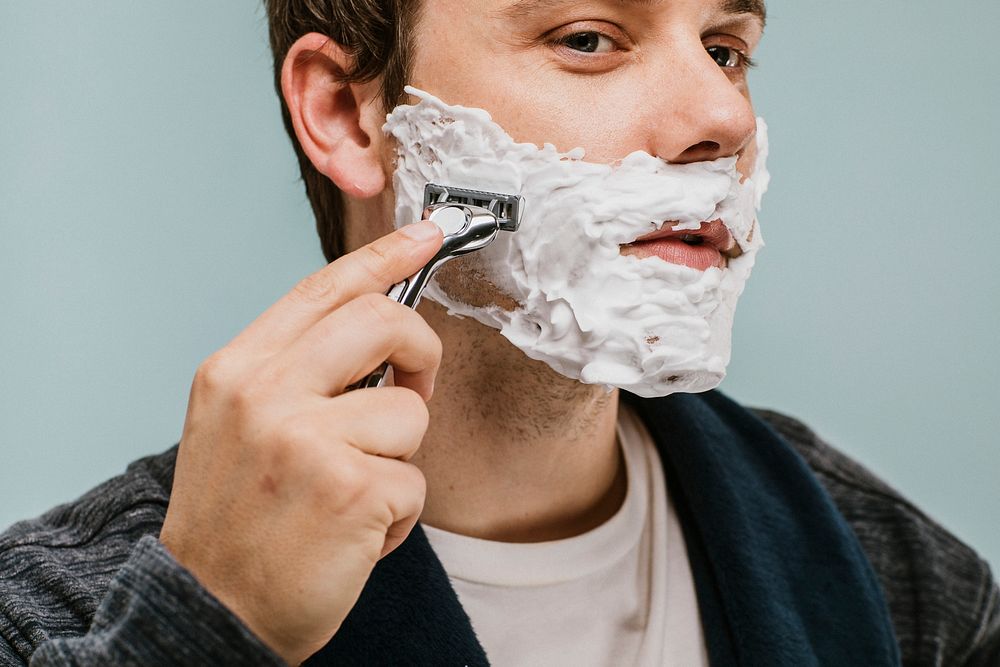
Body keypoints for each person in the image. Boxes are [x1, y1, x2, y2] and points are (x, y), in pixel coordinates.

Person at [1, 0, 997, 665]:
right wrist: (211, 625)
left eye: (726, 45)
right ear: (352, 115)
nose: (721, 114)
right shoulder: (51, 618)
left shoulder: (902, 582)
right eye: (588, 36)